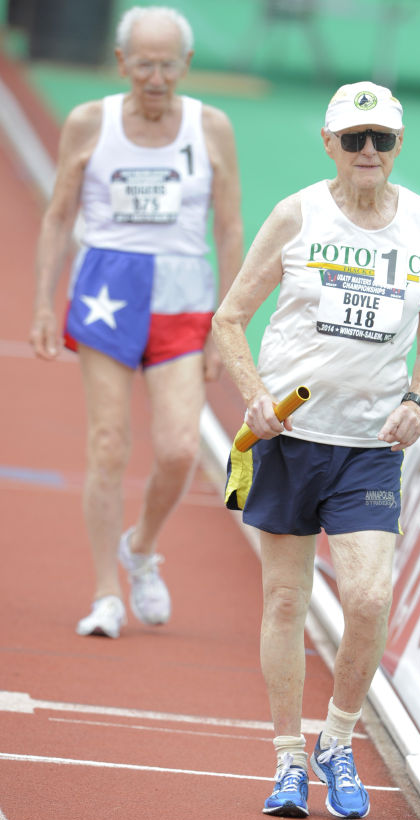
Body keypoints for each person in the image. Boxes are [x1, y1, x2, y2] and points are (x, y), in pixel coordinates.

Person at [212, 81, 420, 820]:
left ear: (399, 144)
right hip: (289, 438)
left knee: (370, 597)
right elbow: (230, 319)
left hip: (368, 448)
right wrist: (254, 394)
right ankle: (288, 759)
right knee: (285, 599)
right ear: (330, 145)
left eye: (381, 138)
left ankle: (338, 743)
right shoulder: (298, 215)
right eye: (355, 140)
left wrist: (417, 400)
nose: (369, 152)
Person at [29, 6, 243, 639]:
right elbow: (58, 215)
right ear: (121, 63)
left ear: (186, 65)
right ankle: (104, 594)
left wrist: (225, 328)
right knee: (108, 443)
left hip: (182, 294)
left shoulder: (212, 127)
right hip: (108, 291)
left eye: (167, 64)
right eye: (143, 63)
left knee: (179, 448)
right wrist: (44, 302)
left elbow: (230, 229)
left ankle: (141, 548)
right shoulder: (89, 122)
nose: (156, 77)